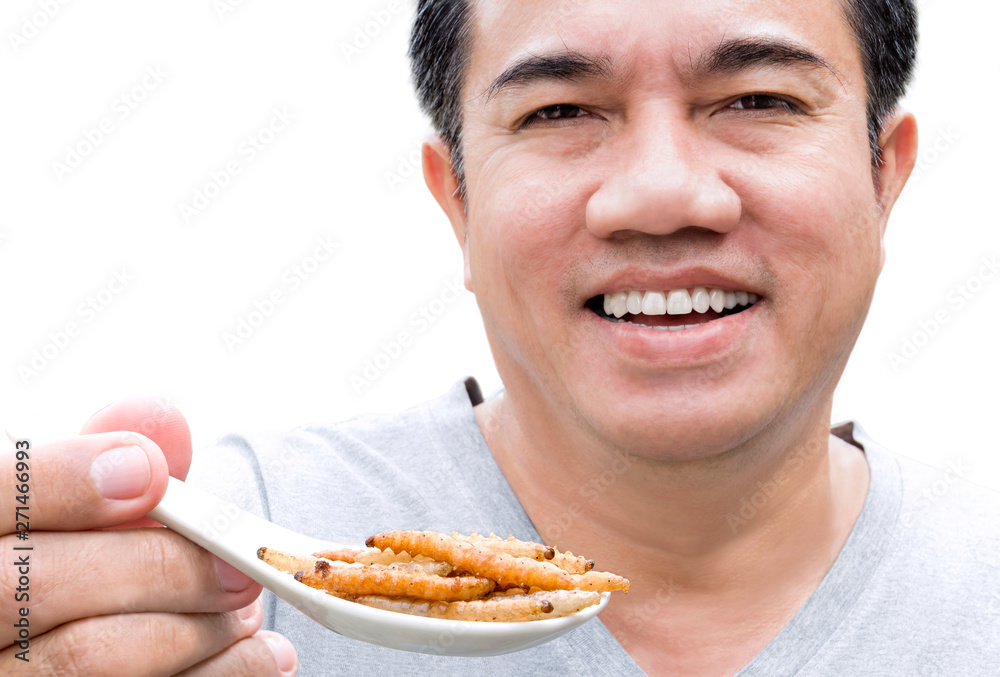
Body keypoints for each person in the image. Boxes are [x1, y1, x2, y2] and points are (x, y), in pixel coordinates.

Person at [2, 0, 998, 675]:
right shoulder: (206, 561)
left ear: (885, 177)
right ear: (457, 204)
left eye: (759, 99)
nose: (660, 194)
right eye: (559, 109)